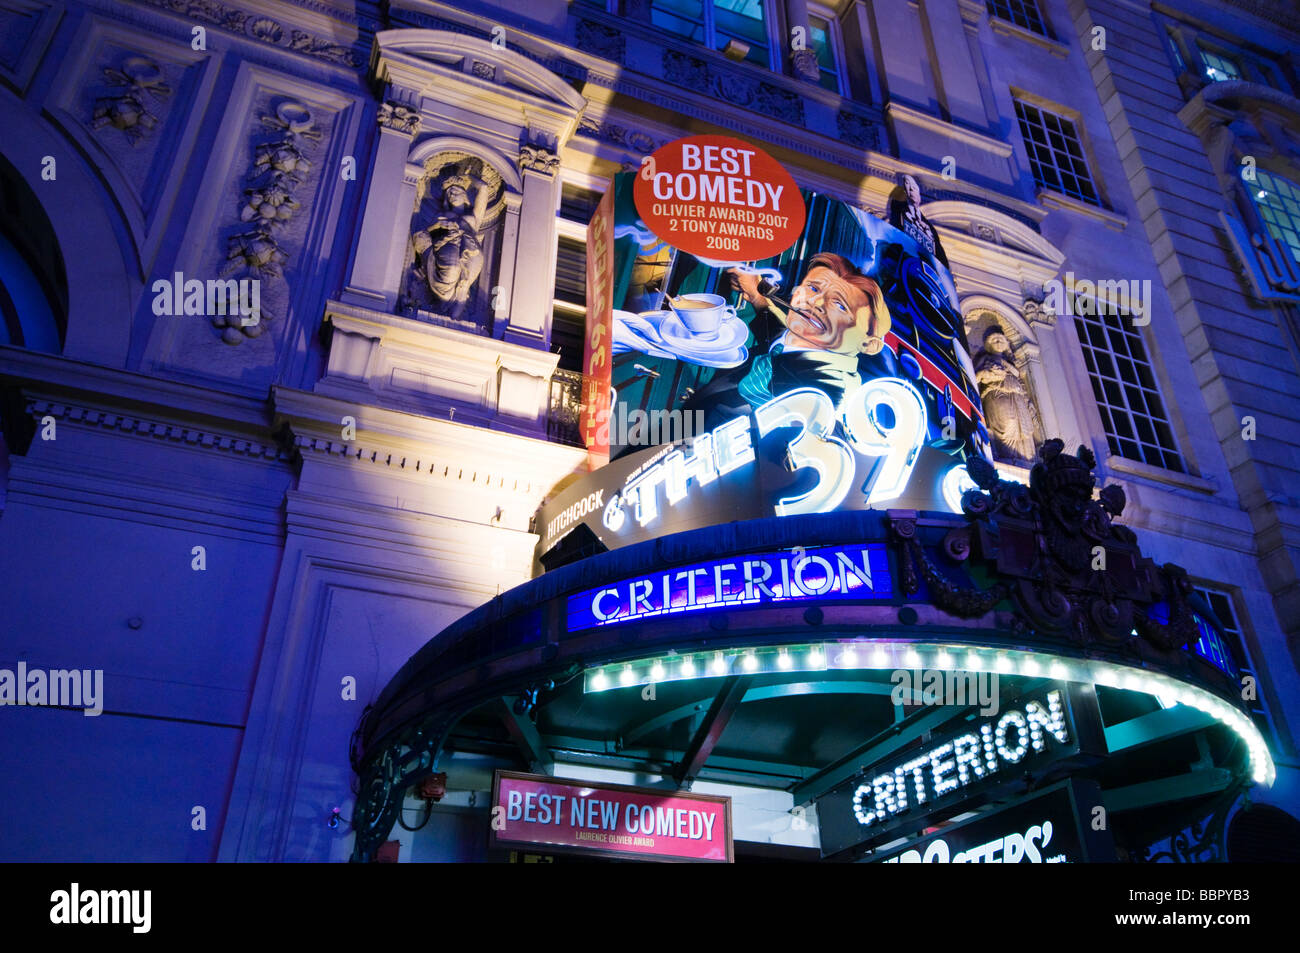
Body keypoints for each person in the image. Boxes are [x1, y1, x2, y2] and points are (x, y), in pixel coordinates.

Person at [685, 252, 896, 426]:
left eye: (840, 306)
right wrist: (757, 296)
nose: (816, 302)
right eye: (813, 288)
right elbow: (780, 334)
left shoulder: (828, 391)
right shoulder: (808, 341)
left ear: (869, 344)